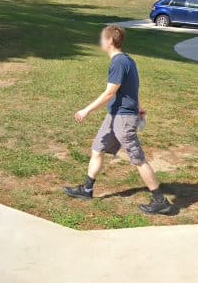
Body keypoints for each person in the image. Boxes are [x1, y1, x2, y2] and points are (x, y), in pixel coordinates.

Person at [63, 24, 176, 215]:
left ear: (109, 41)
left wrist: (86, 110)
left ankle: (160, 201)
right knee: (97, 148)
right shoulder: (128, 60)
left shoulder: (119, 62)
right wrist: (138, 106)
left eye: (102, 38)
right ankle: (87, 189)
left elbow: (109, 93)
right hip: (115, 114)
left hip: (123, 118)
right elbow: (131, 88)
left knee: (138, 158)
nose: (100, 41)